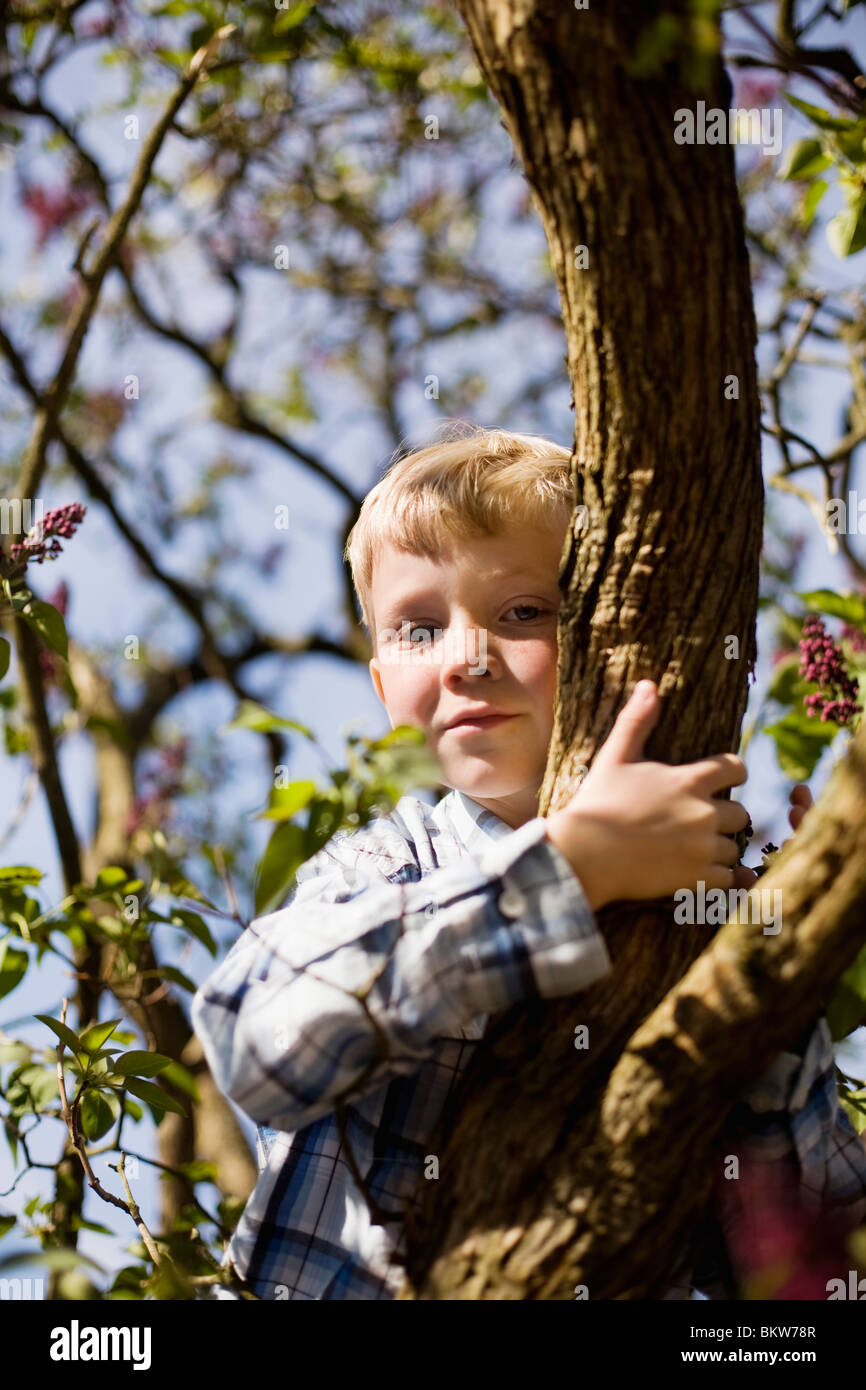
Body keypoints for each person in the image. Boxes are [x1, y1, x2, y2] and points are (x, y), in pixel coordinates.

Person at [192, 423, 866, 1300]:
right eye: (419, 627)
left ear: (607, 639)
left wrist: (790, 947)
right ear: (382, 686)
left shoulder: (702, 909)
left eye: (523, 613)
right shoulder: (386, 866)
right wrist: (570, 870)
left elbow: (798, 1262)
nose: (468, 656)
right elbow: (253, 1040)